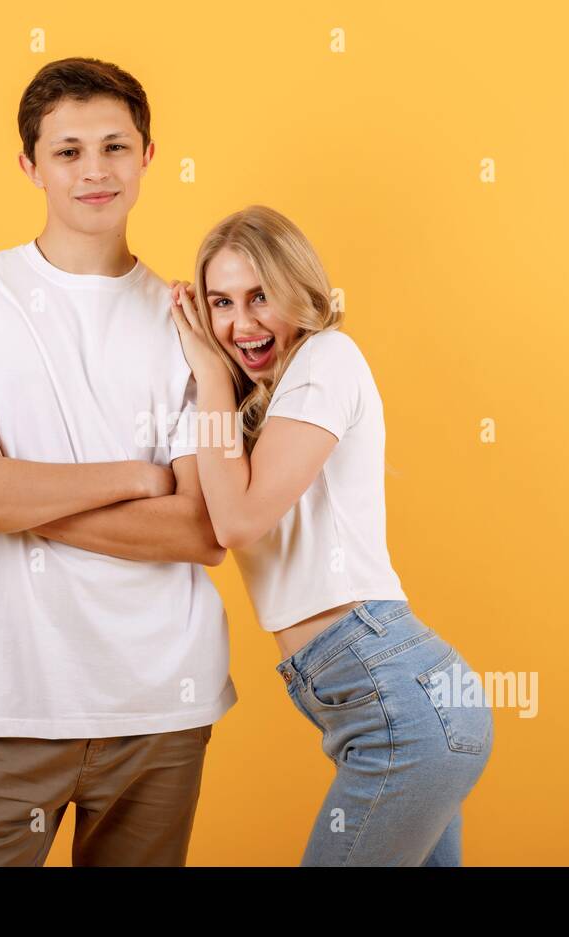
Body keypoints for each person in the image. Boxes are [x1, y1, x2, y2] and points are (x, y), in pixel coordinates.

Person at [0, 57, 236, 866]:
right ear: (30, 166)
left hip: (162, 705)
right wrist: (137, 476)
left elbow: (199, 529)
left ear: (148, 156)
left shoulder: (187, 320)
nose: (95, 170)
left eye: (116, 147)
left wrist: (11, 487)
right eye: (69, 151)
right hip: (8, 700)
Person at [165, 205, 493, 866]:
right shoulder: (248, 403)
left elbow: (235, 522)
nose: (241, 323)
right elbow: (190, 506)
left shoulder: (327, 359)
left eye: (261, 296)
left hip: (395, 693)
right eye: (221, 303)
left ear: (300, 291)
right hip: (382, 696)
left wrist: (205, 367)